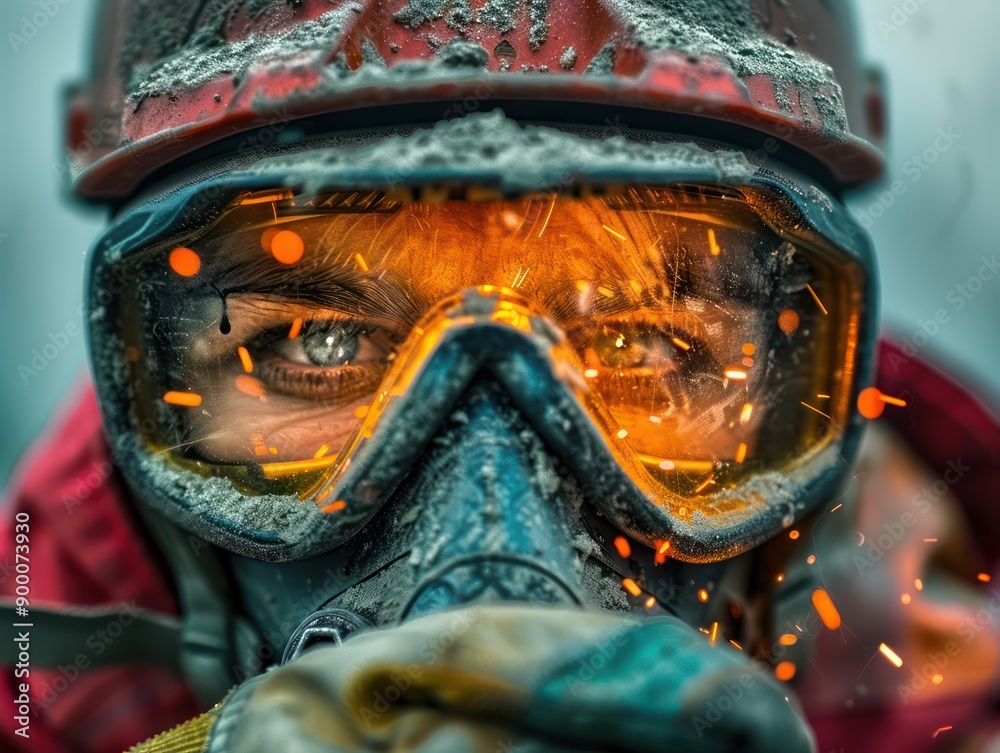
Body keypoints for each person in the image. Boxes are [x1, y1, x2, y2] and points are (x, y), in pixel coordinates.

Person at [3, 1, 999, 751]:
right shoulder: (42, 662)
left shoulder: (946, 691)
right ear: (141, 385)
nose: (493, 516)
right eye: (312, 343)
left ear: (807, 395)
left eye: (645, 347)